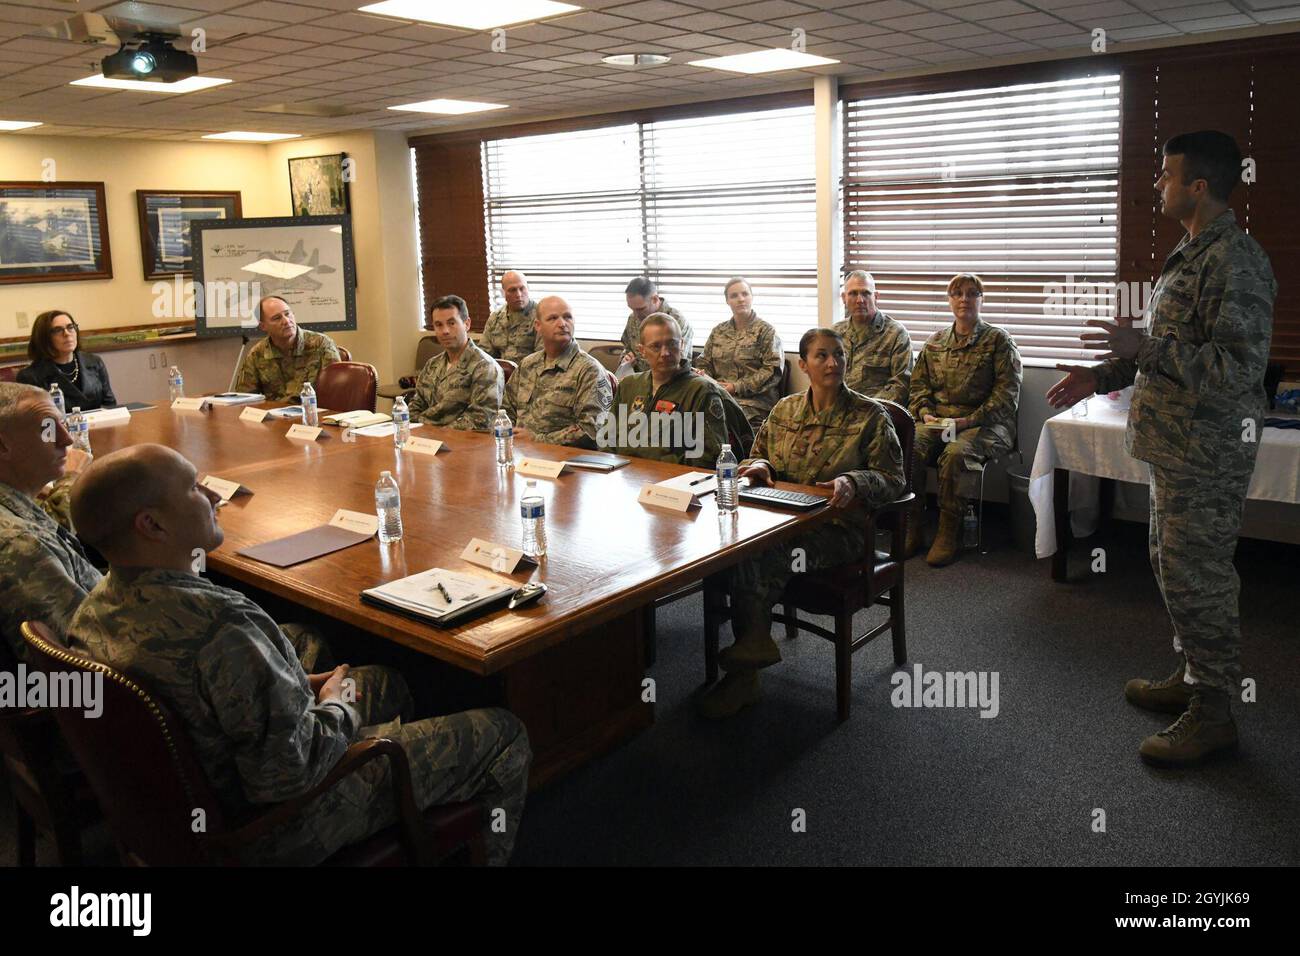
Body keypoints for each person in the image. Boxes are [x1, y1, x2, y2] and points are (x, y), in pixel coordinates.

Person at [66, 444, 532, 865]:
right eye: (193, 488)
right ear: (152, 524)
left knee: (387, 681)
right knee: (505, 732)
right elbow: (290, 773)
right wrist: (337, 704)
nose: (213, 496)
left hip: (185, 802)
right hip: (274, 824)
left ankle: (416, 826)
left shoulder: (91, 612)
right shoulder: (219, 626)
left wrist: (298, 688)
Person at [1048, 130, 1276, 767]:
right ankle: (1193, 675)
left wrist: (1141, 350)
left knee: (1199, 578)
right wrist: (1105, 374)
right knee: (1174, 570)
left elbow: (1235, 370)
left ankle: (1215, 713)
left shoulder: (1238, 260)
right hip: (1176, 449)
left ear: (1197, 186)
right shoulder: (1192, 252)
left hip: (1206, 454)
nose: (1158, 184)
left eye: (1166, 175)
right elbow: (1170, 353)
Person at [698, 328, 906, 719]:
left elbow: (896, 481)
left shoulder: (870, 415)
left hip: (839, 531)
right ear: (803, 364)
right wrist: (760, 465)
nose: (832, 363)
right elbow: (759, 456)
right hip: (783, 517)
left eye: (839, 355)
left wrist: (854, 480)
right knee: (732, 548)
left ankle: (745, 673)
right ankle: (754, 646)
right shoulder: (785, 410)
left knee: (762, 555)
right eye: (822, 356)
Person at [907, 273, 1022, 567]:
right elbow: (918, 387)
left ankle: (949, 531)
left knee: (955, 454)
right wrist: (924, 413)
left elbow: (1005, 398)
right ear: (949, 300)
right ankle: (912, 525)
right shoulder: (934, 343)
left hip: (987, 426)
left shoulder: (998, 341)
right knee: (909, 448)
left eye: (972, 294)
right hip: (939, 422)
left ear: (981, 300)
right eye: (957, 293)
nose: (964, 299)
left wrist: (966, 422)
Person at [0, 383, 100, 662]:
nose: (66, 439)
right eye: (47, 429)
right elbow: (90, 649)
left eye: (63, 424)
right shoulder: (20, 546)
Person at [603, 313, 727, 465]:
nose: (665, 353)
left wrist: (651, 462)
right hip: (625, 476)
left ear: (681, 344)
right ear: (641, 350)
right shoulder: (629, 385)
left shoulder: (701, 390)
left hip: (673, 481)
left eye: (672, 344)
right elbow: (607, 441)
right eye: (656, 346)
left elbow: (709, 457)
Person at [503, 295, 612, 448]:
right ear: (538, 326)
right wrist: (509, 435)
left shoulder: (589, 370)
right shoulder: (528, 364)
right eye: (553, 318)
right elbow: (505, 410)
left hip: (565, 459)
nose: (562, 324)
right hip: (521, 455)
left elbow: (593, 430)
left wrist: (537, 440)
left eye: (568, 317)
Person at [693, 277, 784, 433]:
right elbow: (703, 363)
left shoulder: (766, 331)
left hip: (754, 402)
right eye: (734, 296)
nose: (741, 299)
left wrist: (736, 387)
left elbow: (772, 370)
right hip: (717, 395)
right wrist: (705, 377)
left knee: (721, 421)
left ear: (751, 297)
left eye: (745, 294)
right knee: (687, 417)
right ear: (727, 301)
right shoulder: (718, 331)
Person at [407, 295, 503, 430]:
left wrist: (433, 433)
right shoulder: (432, 365)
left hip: (464, 444)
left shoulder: (485, 367)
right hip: (426, 440)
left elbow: (480, 420)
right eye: (438, 325)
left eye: (451, 323)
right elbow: (416, 406)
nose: (445, 331)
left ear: (467, 324)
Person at [232, 295, 340, 401]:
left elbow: (337, 391)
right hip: (276, 416)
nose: (286, 321)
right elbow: (244, 397)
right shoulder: (257, 353)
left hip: (313, 413)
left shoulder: (321, 344)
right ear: (263, 326)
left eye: (288, 314)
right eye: (277, 318)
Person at [833, 271, 912, 405]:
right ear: (843, 298)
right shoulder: (834, 334)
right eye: (853, 293)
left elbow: (901, 385)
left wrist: (866, 409)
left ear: (876, 296)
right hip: (837, 411)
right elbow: (824, 378)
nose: (860, 300)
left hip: (878, 415)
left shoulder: (896, 334)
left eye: (866, 293)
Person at [17, 310, 117, 410]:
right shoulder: (30, 376)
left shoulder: (94, 361)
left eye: (70, 327)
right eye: (57, 330)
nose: (67, 333)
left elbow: (110, 403)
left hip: (99, 424)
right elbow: (35, 418)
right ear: (44, 338)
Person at [619, 277, 693, 374]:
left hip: (671, 381)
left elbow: (680, 362)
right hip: (638, 379)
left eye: (641, 309)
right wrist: (626, 359)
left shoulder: (676, 321)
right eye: (632, 309)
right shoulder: (633, 318)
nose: (636, 315)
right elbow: (627, 347)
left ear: (654, 299)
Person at [479, 270, 539, 363]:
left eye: (522, 288)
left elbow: (543, 357)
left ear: (528, 288)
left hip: (530, 373)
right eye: (512, 290)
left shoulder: (541, 316)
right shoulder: (495, 318)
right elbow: (484, 355)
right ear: (503, 293)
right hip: (500, 373)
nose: (519, 295)